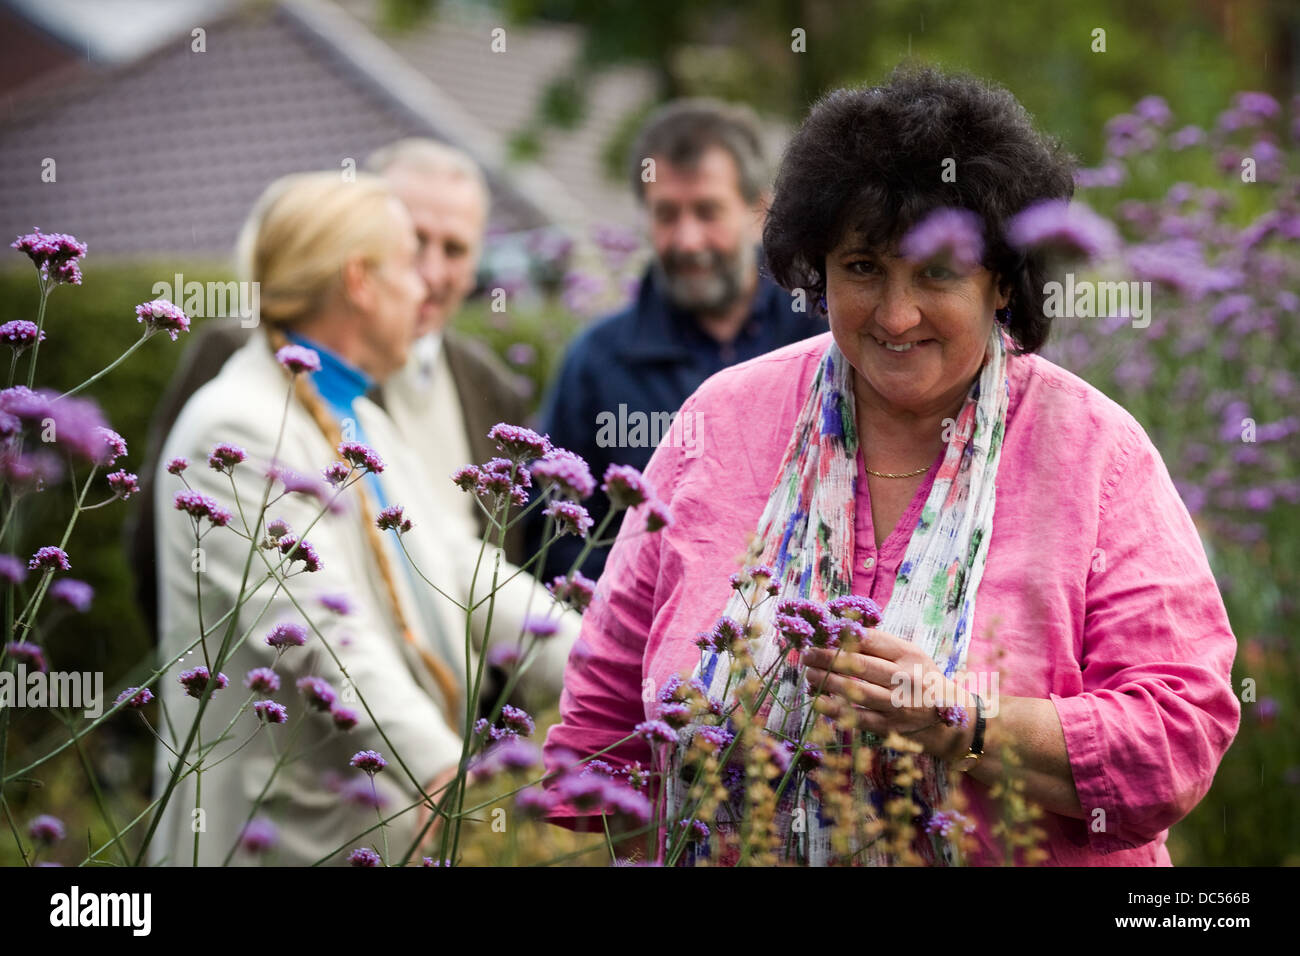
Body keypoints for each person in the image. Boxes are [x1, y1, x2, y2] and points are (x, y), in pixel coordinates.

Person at [541, 66, 1240, 866]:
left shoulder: (1092, 453)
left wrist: (962, 721)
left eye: (936, 273)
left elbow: (1175, 741)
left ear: (1003, 280)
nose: (897, 315)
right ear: (819, 267)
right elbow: (601, 724)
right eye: (864, 267)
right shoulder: (722, 420)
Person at [147, 171, 576, 866]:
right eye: (409, 261)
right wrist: (440, 767)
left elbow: (467, 569)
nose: (428, 286)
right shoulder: (237, 427)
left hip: (369, 826)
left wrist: (608, 671)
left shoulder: (362, 415)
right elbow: (320, 633)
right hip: (282, 840)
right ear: (360, 280)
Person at [125, 140, 531, 647]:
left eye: (453, 249)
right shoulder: (246, 368)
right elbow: (165, 549)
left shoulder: (487, 386)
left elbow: (478, 557)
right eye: (413, 245)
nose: (429, 275)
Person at [533, 99, 826, 584]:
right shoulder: (597, 364)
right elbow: (556, 543)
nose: (688, 240)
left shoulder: (821, 335)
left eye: (707, 211)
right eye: (667, 214)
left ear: (759, 210)